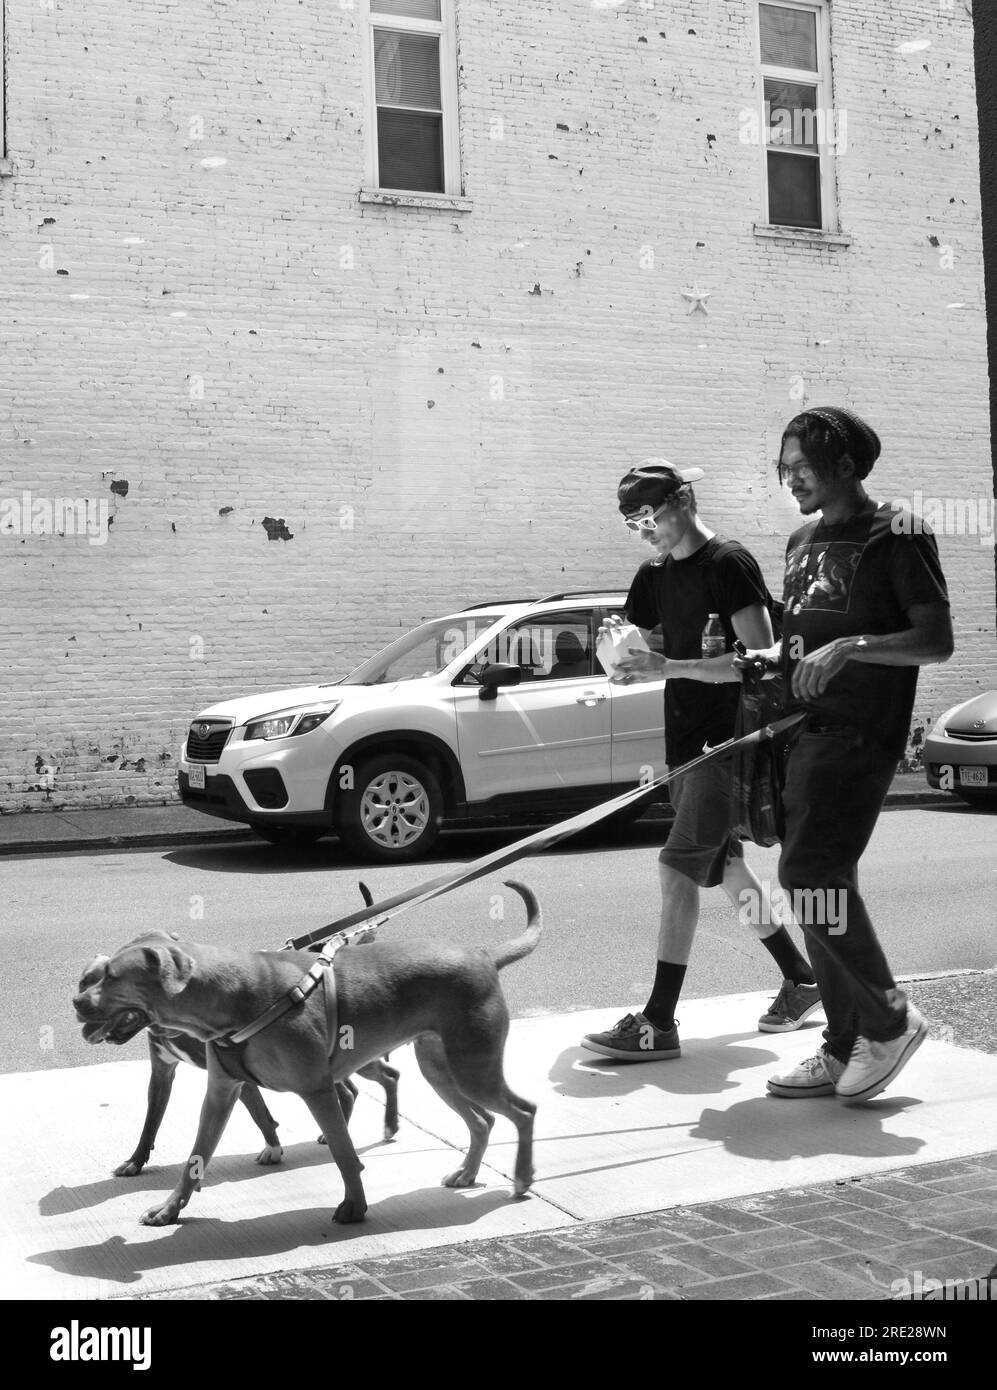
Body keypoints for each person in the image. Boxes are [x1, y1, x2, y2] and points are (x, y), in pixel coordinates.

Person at [581, 459, 820, 1063]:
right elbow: (643, 653)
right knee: (725, 868)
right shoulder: (653, 574)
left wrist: (672, 666)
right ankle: (802, 977)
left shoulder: (729, 563)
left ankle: (659, 1022)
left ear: (682, 500)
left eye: (650, 516)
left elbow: (762, 656)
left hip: (732, 741)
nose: (645, 531)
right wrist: (620, 646)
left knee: (677, 869)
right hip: (683, 740)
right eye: (633, 523)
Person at [749, 407, 953, 1103]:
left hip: (860, 734)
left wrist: (852, 647)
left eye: (801, 467)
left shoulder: (897, 533)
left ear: (843, 465)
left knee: (808, 872)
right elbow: (796, 644)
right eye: (783, 469)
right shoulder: (800, 540)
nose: (790, 480)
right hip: (799, 735)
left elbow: (934, 640)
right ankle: (841, 1046)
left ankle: (888, 1021)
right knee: (818, 882)